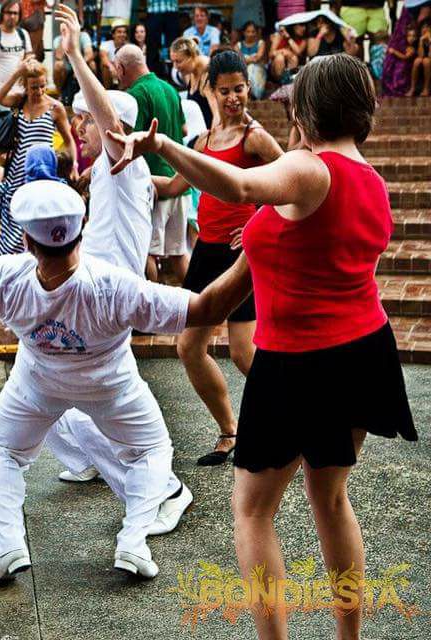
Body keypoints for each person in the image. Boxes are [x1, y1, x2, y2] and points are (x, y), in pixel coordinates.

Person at [110, 53, 418, 640]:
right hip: (363, 351)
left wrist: (164, 146)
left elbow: (239, 185)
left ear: (307, 108)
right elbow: (268, 266)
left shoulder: (310, 169)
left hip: (300, 360)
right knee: (330, 498)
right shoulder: (370, 181)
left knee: (253, 511)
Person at [0, 113, 242, 585]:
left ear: (27, 240)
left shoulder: (6, 279)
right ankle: (133, 541)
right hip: (112, 386)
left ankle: (9, 546)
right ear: (83, 225)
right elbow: (207, 307)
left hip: (38, 384)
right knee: (153, 451)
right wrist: (256, 252)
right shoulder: (115, 287)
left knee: (1, 452)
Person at [38, 10, 197, 558]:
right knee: (48, 393)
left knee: (89, 410)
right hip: (93, 297)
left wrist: (75, 55)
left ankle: (164, 490)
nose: (81, 126)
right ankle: (101, 466)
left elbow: (108, 122)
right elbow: (167, 179)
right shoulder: (124, 171)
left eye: (86, 119)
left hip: (107, 303)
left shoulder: (122, 160)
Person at [153, 50, 283, 466]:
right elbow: (173, 186)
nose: (233, 98)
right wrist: (127, 169)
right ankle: (230, 430)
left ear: (248, 88)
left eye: (239, 89)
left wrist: (258, 223)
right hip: (206, 252)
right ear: (211, 91)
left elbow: (290, 184)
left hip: (240, 255)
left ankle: (292, 422)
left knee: (244, 352)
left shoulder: (255, 138)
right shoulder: (203, 141)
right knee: (189, 347)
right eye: (224, 91)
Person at [113, 44, 188, 283]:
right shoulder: (170, 88)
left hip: (154, 185)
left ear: (121, 68)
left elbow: (131, 143)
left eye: (116, 70)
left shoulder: (136, 95)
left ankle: (150, 304)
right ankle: (200, 300)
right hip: (180, 181)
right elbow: (184, 129)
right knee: (178, 253)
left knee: (147, 253)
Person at [0, 58, 77, 255]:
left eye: (42, 86)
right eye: (33, 87)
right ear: (25, 85)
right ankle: (10, 262)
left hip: (43, 170)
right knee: (14, 218)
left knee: (36, 216)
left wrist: (73, 165)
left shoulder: (55, 107)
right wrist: (17, 72)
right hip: (18, 169)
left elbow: (69, 140)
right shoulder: (19, 101)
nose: (39, 91)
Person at [170, 37, 212, 129]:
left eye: (178, 61)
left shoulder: (209, 73)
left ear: (192, 56)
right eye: (173, 62)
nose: (175, 67)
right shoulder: (190, 72)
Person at [53, 22, 95, 104]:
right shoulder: (58, 39)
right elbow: (58, 57)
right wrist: (64, 37)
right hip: (67, 67)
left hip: (81, 64)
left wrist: (78, 67)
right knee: (58, 65)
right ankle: (60, 93)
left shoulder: (83, 36)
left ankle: (92, 93)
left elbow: (89, 54)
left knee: (92, 65)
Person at [145, 0, 181, 77]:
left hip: (171, 9)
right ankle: (152, 76)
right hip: (153, 10)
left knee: (174, 46)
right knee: (152, 48)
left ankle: (174, 76)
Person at [236, 21, 267, 98]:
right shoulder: (238, 45)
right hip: (242, 70)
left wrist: (245, 60)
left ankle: (254, 93)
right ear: (244, 32)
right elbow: (238, 60)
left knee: (251, 68)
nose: (250, 34)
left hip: (259, 70)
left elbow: (258, 58)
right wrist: (252, 59)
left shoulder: (261, 43)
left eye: (253, 32)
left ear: (256, 33)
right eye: (248, 32)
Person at [99, 19, 130, 87]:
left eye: (124, 32)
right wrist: (111, 67)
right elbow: (104, 58)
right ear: (113, 34)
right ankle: (107, 90)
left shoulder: (129, 46)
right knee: (105, 66)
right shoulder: (105, 44)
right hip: (110, 73)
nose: (122, 34)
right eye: (119, 32)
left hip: (123, 72)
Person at [408, 20, 431, 95]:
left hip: (428, 59)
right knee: (417, 61)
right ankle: (412, 88)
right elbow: (420, 55)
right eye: (423, 27)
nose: (425, 29)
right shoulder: (418, 40)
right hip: (423, 59)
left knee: (426, 61)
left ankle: (426, 88)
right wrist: (421, 41)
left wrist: (430, 40)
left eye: (427, 27)